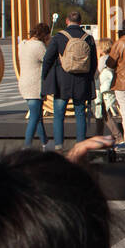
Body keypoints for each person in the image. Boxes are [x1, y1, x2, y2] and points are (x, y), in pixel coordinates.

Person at [41, 10, 96, 150]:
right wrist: (89, 78)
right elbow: (93, 62)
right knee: (80, 113)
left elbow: (48, 58)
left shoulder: (59, 37)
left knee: (59, 114)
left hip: (61, 80)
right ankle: (81, 145)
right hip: (81, 80)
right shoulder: (88, 38)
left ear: (67, 21)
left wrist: (45, 76)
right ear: (80, 22)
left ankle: (59, 145)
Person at [18, 22, 51, 148]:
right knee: (34, 117)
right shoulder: (39, 46)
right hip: (35, 84)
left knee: (37, 116)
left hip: (24, 82)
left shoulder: (22, 44)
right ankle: (27, 145)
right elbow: (48, 60)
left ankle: (45, 142)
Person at [93, 37, 122, 141]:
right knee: (102, 112)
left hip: (102, 89)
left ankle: (118, 136)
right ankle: (98, 135)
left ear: (102, 48)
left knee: (104, 112)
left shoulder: (103, 59)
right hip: (111, 87)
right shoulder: (112, 58)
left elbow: (97, 74)